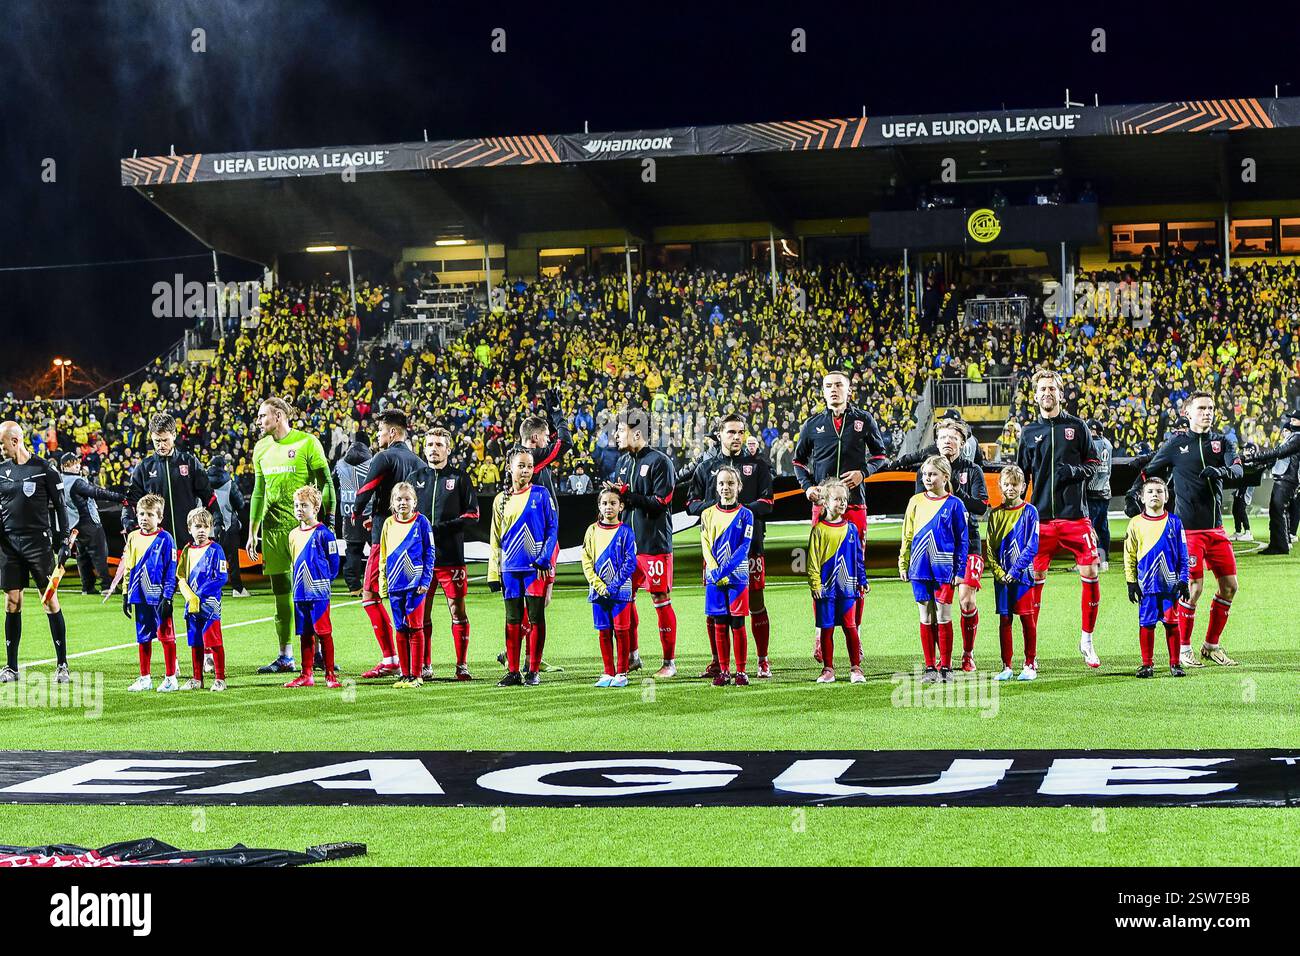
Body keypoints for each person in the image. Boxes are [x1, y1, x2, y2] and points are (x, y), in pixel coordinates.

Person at [1135, 391, 1242, 667]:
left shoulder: (1222, 443)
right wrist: (1136, 490)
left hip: (1216, 530)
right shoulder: (1176, 444)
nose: (1207, 412)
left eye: (1211, 408)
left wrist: (1222, 472)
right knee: (1192, 588)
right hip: (1188, 531)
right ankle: (1184, 648)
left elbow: (1238, 471)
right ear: (1188, 413)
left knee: (1230, 587)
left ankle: (1211, 645)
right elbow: (1151, 469)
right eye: (1202, 408)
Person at [793, 370, 889, 661]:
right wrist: (807, 487)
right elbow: (798, 461)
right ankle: (821, 636)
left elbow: (881, 455)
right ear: (822, 392)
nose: (833, 390)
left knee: (855, 573)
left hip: (855, 506)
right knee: (820, 572)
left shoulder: (863, 421)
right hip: (821, 509)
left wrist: (864, 473)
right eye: (828, 386)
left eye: (839, 385)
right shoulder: (813, 425)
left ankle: (854, 633)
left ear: (849, 390)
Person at [1014, 368, 1102, 669]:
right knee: (1034, 582)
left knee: (1092, 572)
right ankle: (1031, 655)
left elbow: (1094, 463)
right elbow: (1020, 478)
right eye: (1042, 389)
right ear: (1035, 395)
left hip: (1075, 517)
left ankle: (1087, 640)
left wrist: (1075, 472)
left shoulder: (1077, 427)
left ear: (1060, 393)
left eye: (1052, 388)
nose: (1047, 393)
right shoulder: (1027, 434)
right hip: (1040, 521)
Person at [245, 398, 335, 674]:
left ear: (279, 415)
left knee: (314, 591)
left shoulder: (307, 443)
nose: (258, 421)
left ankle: (319, 653)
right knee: (281, 594)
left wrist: (327, 519)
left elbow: (326, 482)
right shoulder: (260, 449)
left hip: (305, 532)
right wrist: (253, 532)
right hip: (274, 532)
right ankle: (285, 655)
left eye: (263, 416)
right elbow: (259, 492)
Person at [685, 413, 775, 677]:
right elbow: (691, 504)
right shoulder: (706, 467)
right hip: (715, 550)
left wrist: (739, 513)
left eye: (740, 432)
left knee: (755, 602)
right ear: (719, 435)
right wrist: (717, 510)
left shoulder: (758, 466)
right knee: (715, 607)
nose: (736, 437)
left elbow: (769, 503)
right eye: (730, 432)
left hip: (751, 547)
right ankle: (718, 662)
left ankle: (761, 660)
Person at [896, 419, 988, 670]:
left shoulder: (973, 471)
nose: (947, 441)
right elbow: (921, 510)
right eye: (943, 437)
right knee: (933, 612)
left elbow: (981, 507)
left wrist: (956, 489)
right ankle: (938, 659)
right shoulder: (926, 472)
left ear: (962, 442)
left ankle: (967, 653)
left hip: (967, 545)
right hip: (933, 553)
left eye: (953, 437)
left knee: (966, 601)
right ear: (936, 442)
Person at [351, 409, 423, 679]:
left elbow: (366, 490)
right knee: (409, 600)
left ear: (392, 432)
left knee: (370, 596)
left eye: (381, 430)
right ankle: (417, 662)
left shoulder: (383, 457)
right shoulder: (417, 461)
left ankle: (391, 658)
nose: (378, 435)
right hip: (410, 540)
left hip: (385, 538)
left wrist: (357, 513)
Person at [607, 408, 678, 678]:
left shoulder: (661, 462)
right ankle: (633, 656)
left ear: (637, 432)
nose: (616, 435)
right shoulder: (623, 463)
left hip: (653, 544)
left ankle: (669, 663)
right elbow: (625, 501)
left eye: (620, 430)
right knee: (626, 598)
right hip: (628, 546)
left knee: (660, 599)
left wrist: (629, 495)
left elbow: (662, 502)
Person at [0, 420, 70, 684]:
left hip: (38, 544)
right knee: (12, 601)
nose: (0, 448)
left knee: (49, 600)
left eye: (2, 443)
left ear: (15, 441)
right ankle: (11, 667)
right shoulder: (1, 471)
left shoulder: (44, 470)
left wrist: (65, 541)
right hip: (9, 545)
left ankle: (62, 665)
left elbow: (61, 507)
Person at [488, 447, 558, 687]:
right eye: (521, 465)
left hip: (535, 569)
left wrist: (545, 557)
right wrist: (493, 572)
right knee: (512, 619)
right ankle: (513, 671)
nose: (526, 470)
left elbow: (552, 528)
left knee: (536, 618)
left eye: (529, 466)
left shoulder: (541, 494)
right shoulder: (500, 500)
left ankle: (534, 670)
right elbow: (495, 539)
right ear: (510, 468)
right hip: (509, 569)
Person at [416, 427, 479, 681]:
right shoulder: (414, 477)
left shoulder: (460, 478)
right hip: (422, 561)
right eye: (430, 444)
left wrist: (440, 529)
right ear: (424, 447)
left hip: (451, 557)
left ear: (448, 449)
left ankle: (461, 665)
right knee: (422, 614)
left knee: (458, 612)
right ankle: (425, 665)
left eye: (439, 444)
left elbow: (473, 514)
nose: (434, 448)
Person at [899, 456, 968, 683]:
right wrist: (903, 563)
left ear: (945, 477)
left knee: (943, 616)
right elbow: (907, 534)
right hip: (920, 568)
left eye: (933, 474)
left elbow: (962, 540)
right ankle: (930, 668)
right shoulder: (915, 501)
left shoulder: (955, 504)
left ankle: (946, 668)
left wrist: (959, 571)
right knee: (925, 616)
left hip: (944, 569)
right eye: (925, 474)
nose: (928, 478)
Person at [1124, 477, 1191, 679]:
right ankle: (1146, 664)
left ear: (1167, 496)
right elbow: (1130, 554)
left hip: (1170, 586)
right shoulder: (1135, 523)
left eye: (1160, 491)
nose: (1155, 494)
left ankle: (1175, 664)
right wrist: (1131, 581)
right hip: (1147, 586)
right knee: (1147, 624)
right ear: (1142, 498)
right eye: (1150, 491)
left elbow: (1183, 555)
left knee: (1172, 623)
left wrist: (1184, 580)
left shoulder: (1175, 522)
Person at [126, 413, 222, 550]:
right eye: (157, 441)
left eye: (165, 440)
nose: (161, 445)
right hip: (157, 545)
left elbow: (208, 496)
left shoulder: (190, 462)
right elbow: (130, 501)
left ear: (174, 435)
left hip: (188, 541)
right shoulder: (143, 468)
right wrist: (127, 520)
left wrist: (218, 520)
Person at [984, 465, 1040, 681]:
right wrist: (999, 573)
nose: (1010, 488)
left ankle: (1029, 664)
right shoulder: (995, 514)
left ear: (1023, 486)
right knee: (1005, 620)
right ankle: (1006, 666)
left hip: (1023, 576)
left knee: (1027, 620)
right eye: (1006, 484)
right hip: (1002, 579)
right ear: (999, 486)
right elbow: (989, 547)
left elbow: (1032, 545)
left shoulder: (1030, 512)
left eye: (1014, 484)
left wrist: (1015, 570)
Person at [700, 465, 754, 687]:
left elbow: (744, 547)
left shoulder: (746, 515)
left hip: (737, 577)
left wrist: (723, 571)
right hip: (714, 577)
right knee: (720, 622)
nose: (726, 488)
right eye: (721, 483)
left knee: (738, 622)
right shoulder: (707, 514)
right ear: (716, 486)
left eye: (731, 483)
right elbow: (705, 545)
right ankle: (723, 671)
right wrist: (714, 569)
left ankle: (741, 671)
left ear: (738, 486)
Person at [806, 478, 865, 684]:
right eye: (837, 499)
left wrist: (862, 580)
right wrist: (815, 584)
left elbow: (858, 558)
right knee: (827, 628)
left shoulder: (852, 529)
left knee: (851, 627)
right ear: (825, 501)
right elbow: (812, 560)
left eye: (844, 499)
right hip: (826, 589)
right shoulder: (819, 530)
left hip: (847, 588)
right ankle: (828, 669)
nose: (842, 503)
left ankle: (856, 668)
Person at [378, 482, 435, 688]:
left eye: (407, 499)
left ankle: (416, 674)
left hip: (416, 586)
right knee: (400, 628)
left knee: (415, 627)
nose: (403, 503)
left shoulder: (422, 522)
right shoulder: (388, 524)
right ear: (392, 502)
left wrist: (425, 580)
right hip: (395, 585)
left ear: (414, 501)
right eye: (398, 499)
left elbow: (430, 553)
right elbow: (383, 556)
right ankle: (404, 673)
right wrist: (383, 583)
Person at [284, 485, 342, 689]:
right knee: (305, 633)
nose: (299, 509)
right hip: (300, 593)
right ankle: (306, 674)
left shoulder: (324, 533)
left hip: (318, 593)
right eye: (297, 505)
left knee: (323, 632)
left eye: (304, 505)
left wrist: (323, 582)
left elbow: (334, 562)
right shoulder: (292, 534)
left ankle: (330, 674)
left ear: (316, 507)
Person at [121, 494, 179, 693]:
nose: (144, 518)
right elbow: (128, 567)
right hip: (140, 596)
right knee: (143, 637)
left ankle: (171, 677)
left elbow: (171, 570)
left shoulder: (166, 539)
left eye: (150, 514)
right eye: (141, 514)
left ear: (159, 517)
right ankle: (145, 678)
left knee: (166, 636)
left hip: (159, 597)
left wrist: (168, 597)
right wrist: (125, 593)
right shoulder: (133, 537)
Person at [581, 487, 637, 688]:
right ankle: (607, 672)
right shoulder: (592, 530)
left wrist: (612, 586)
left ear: (621, 506)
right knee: (604, 632)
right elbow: (586, 560)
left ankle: (621, 673)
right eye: (604, 503)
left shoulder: (626, 532)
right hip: (598, 592)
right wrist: (598, 585)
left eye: (613, 503)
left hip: (620, 592)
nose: (608, 507)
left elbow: (630, 562)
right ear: (599, 506)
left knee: (622, 632)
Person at [175, 507, 228, 691]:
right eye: (197, 526)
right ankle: (197, 678)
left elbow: (221, 577)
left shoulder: (216, 549)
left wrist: (201, 593)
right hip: (192, 605)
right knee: (195, 642)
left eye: (206, 526)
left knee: (214, 641)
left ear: (211, 528)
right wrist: (189, 596)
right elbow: (180, 576)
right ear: (189, 528)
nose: (202, 530)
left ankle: (220, 678)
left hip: (210, 605)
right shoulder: (187, 550)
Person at [58, 452, 122, 595]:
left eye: (77, 463)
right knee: (99, 553)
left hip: (73, 522)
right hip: (88, 521)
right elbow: (96, 492)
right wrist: (119, 497)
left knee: (83, 555)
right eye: (73, 463)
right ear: (66, 465)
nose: (77, 465)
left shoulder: (60, 480)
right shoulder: (77, 481)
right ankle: (106, 586)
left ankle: (87, 587)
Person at [1245, 411, 1300, 555]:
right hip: (1285, 477)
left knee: (1277, 509)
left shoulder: (1297, 438)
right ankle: (1279, 543)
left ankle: (1279, 545)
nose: (1291, 422)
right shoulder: (1294, 437)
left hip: (1287, 478)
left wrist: (1254, 457)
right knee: (1277, 510)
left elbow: (1278, 452)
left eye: (1295, 420)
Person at [334, 431, 372, 595]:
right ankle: (376, 583)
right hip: (369, 513)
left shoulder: (340, 464)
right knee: (377, 549)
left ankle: (354, 587)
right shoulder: (373, 463)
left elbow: (333, 484)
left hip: (349, 515)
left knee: (353, 551)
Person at [206, 455, 248, 599]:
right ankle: (237, 588)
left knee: (211, 559)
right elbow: (240, 503)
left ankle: (212, 589)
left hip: (208, 526)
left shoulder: (203, 481)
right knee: (232, 559)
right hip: (228, 523)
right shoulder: (229, 482)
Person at [1085, 420, 1113, 572]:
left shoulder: (1090, 445)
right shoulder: (1108, 444)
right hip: (1105, 491)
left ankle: (1089, 560)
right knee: (1103, 527)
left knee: (1088, 529)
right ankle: (1103, 561)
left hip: (1091, 492)